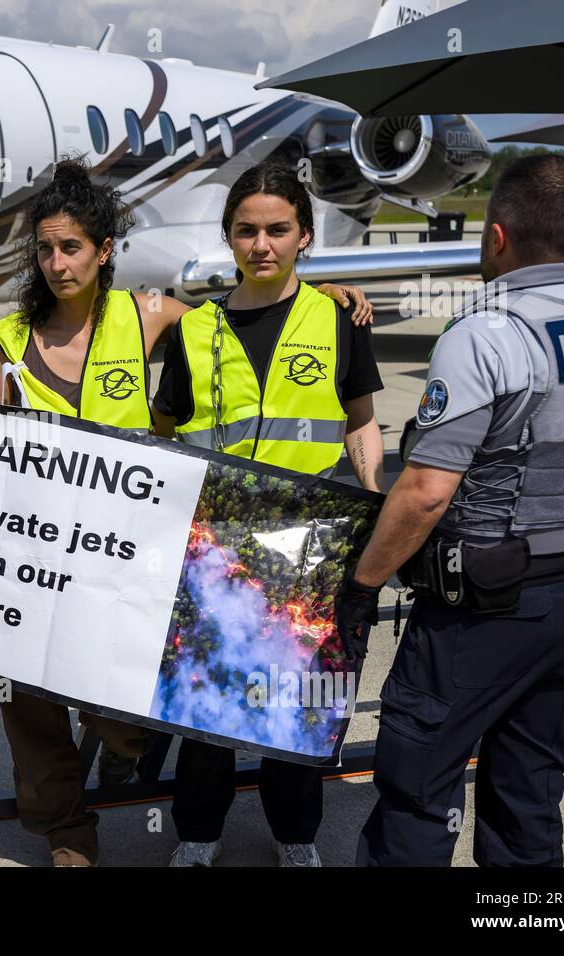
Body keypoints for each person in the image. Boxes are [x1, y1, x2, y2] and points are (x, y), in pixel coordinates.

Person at [0, 155, 371, 866]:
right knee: (31, 707)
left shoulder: (150, 314)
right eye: (44, 249)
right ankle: (69, 835)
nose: (56, 263)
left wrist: (325, 297)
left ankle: (128, 746)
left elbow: (245, 319)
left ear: (105, 252)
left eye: (71, 247)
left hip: (130, 559)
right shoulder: (7, 339)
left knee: (132, 703)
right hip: (38, 556)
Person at [340, 154, 564, 866]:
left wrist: (362, 586)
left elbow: (425, 491)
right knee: (529, 802)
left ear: (497, 236)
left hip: (476, 615)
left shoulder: (484, 333)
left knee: (418, 798)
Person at [151, 160, 385, 868]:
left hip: (313, 543)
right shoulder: (196, 331)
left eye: (277, 230)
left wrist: (374, 506)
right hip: (217, 545)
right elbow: (163, 433)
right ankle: (196, 835)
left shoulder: (338, 319)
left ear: (304, 235)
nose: (262, 244)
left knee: (301, 699)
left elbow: (361, 423)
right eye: (246, 231)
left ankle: (295, 837)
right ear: (227, 239)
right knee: (206, 701)